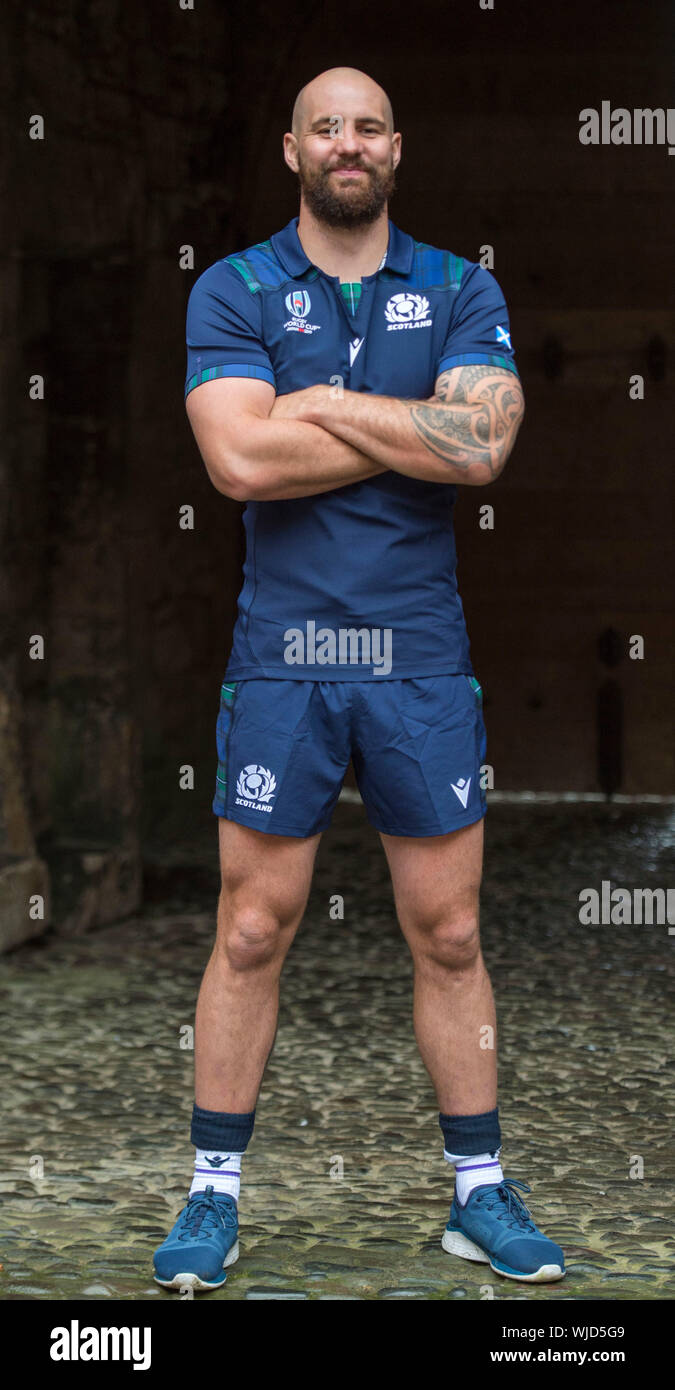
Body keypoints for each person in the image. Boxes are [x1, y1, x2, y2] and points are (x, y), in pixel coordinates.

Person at [153, 66, 565, 1292]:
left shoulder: (458, 284)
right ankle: (212, 1199)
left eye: (369, 126)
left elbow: (481, 442)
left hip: (418, 657)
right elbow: (235, 458)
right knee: (251, 925)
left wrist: (321, 403)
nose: (348, 143)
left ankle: (479, 1195)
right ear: (291, 149)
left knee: (448, 929)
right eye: (326, 126)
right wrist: (402, 426)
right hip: (281, 654)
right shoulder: (232, 286)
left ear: (398, 149)